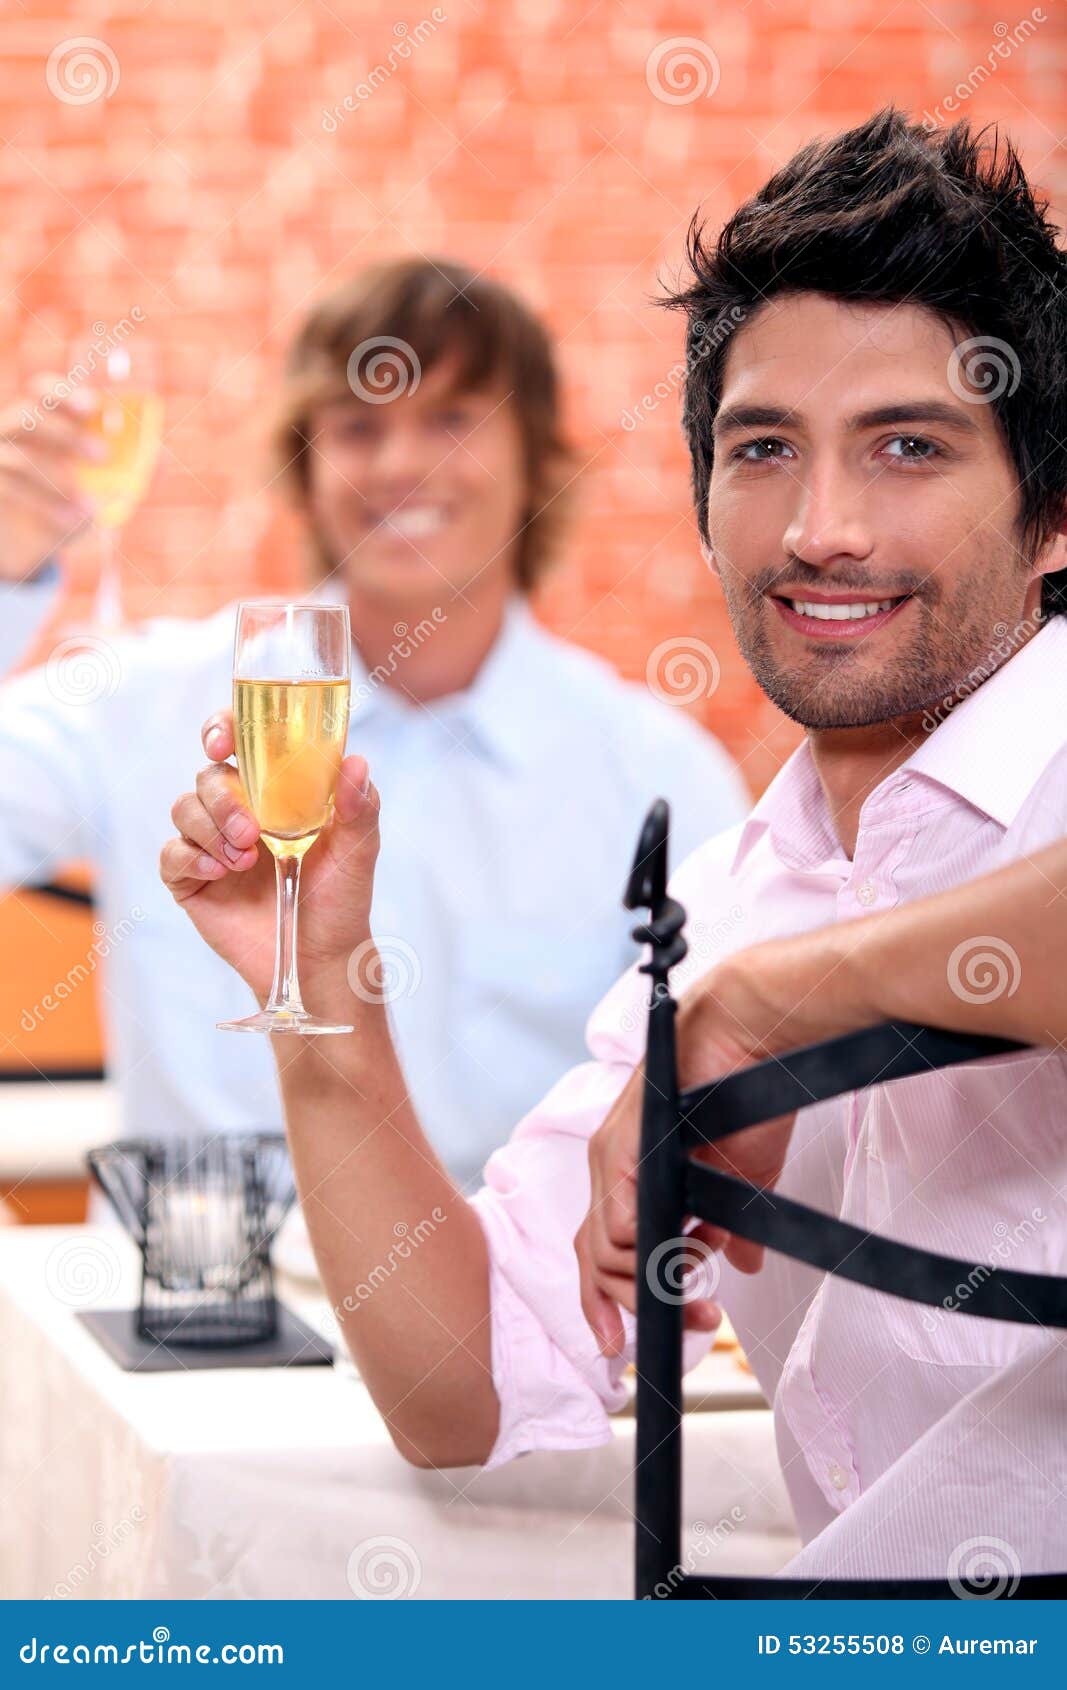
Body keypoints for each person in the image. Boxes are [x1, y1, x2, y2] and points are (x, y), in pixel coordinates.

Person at [160, 108, 1067, 1577]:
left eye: (908, 445)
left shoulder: (756, 953)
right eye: (762, 447)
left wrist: (771, 1002)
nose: (820, 526)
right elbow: (460, 1386)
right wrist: (321, 987)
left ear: (1049, 516)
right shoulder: (726, 898)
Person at [0, 259, 747, 1192]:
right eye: (358, 427)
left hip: (512, 1315)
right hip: (199, 1314)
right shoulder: (142, 702)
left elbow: (730, 1097)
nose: (399, 465)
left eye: (449, 419)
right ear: (305, 468)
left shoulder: (658, 776)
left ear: (534, 463)